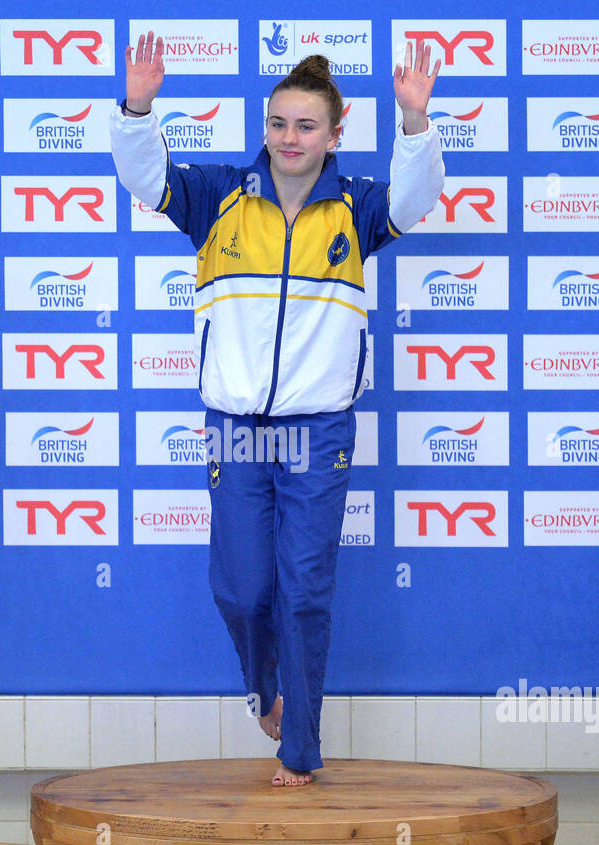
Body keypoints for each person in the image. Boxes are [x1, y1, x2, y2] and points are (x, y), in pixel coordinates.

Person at [111, 37, 443, 786]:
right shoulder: (219, 195)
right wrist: (137, 108)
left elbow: (416, 198)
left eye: (305, 126)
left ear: (335, 132)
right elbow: (145, 174)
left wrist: (415, 121)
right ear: (264, 127)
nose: (289, 138)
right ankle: (265, 686)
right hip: (235, 428)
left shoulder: (356, 207)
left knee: (305, 589)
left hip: (319, 431)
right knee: (241, 588)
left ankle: (301, 749)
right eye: (278, 123)